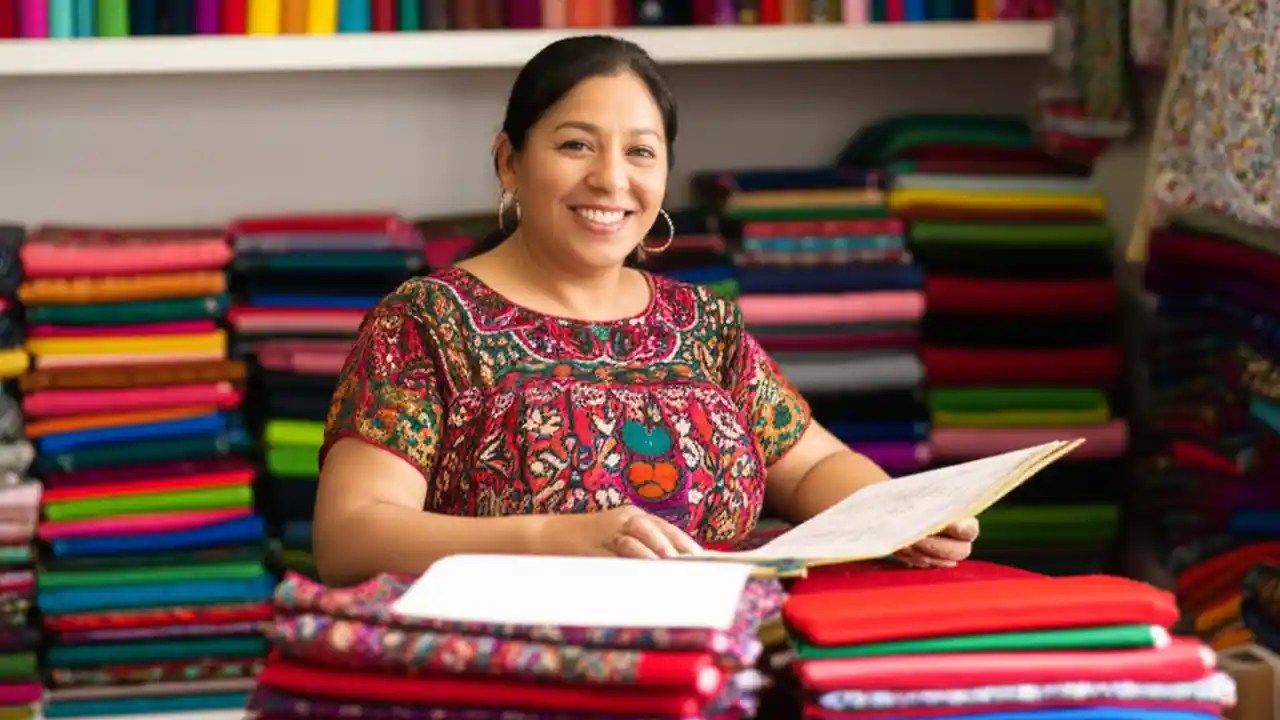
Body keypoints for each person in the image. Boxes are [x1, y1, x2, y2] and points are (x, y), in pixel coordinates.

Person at [312, 35, 979, 587]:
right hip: (520, 669)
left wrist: (902, 513)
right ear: (509, 161)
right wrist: (555, 538)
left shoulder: (701, 322)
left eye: (639, 151)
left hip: (722, 665)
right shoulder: (428, 322)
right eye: (576, 145)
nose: (610, 179)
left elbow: (808, 465)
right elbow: (351, 534)